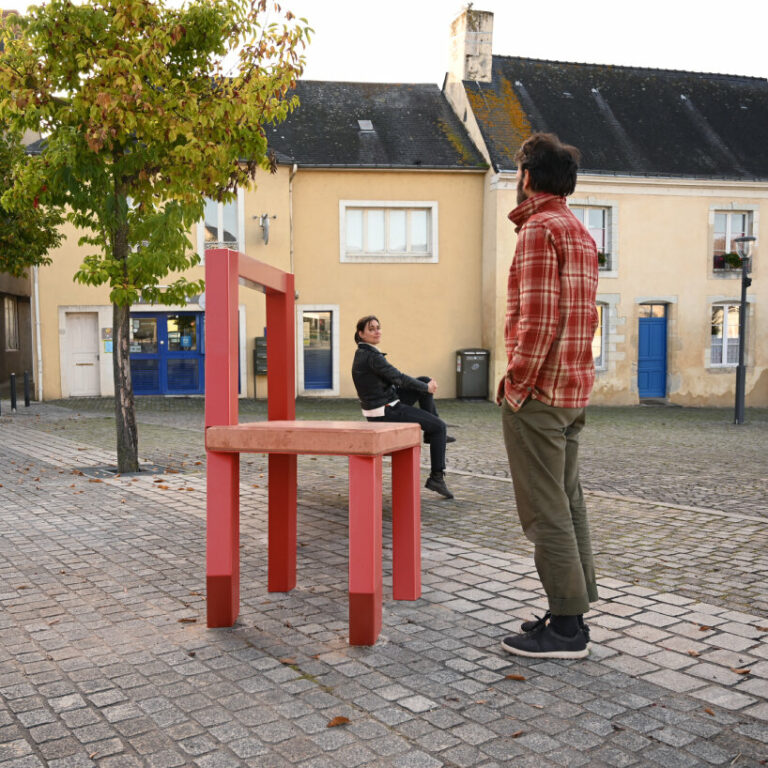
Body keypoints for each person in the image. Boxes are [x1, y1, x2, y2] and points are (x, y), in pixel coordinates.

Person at [497, 133, 599, 659]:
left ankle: (564, 629)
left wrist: (515, 382)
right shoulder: (579, 231)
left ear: (528, 178)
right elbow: (584, 316)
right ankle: (573, 611)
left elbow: (537, 322)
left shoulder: (539, 230)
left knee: (546, 511)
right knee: (568, 501)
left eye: (518, 174)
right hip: (573, 389)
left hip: (540, 391)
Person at [351, 315, 454, 499]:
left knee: (423, 380)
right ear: (361, 334)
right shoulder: (372, 357)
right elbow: (398, 377)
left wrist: (424, 385)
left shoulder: (366, 353)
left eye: (378, 327)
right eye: (371, 329)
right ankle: (436, 478)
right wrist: (426, 388)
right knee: (440, 426)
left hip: (386, 403)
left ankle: (431, 434)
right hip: (384, 411)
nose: (377, 331)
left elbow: (396, 380)